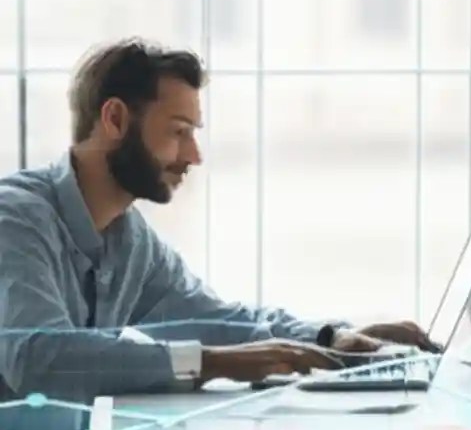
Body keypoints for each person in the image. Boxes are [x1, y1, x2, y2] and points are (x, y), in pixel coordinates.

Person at [0, 38, 438, 401]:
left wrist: (328, 337)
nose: (194, 156)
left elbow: (218, 318)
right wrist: (212, 363)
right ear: (114, 119)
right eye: (179, 131)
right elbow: (39, 360)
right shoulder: (16, 219)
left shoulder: (129, 239)